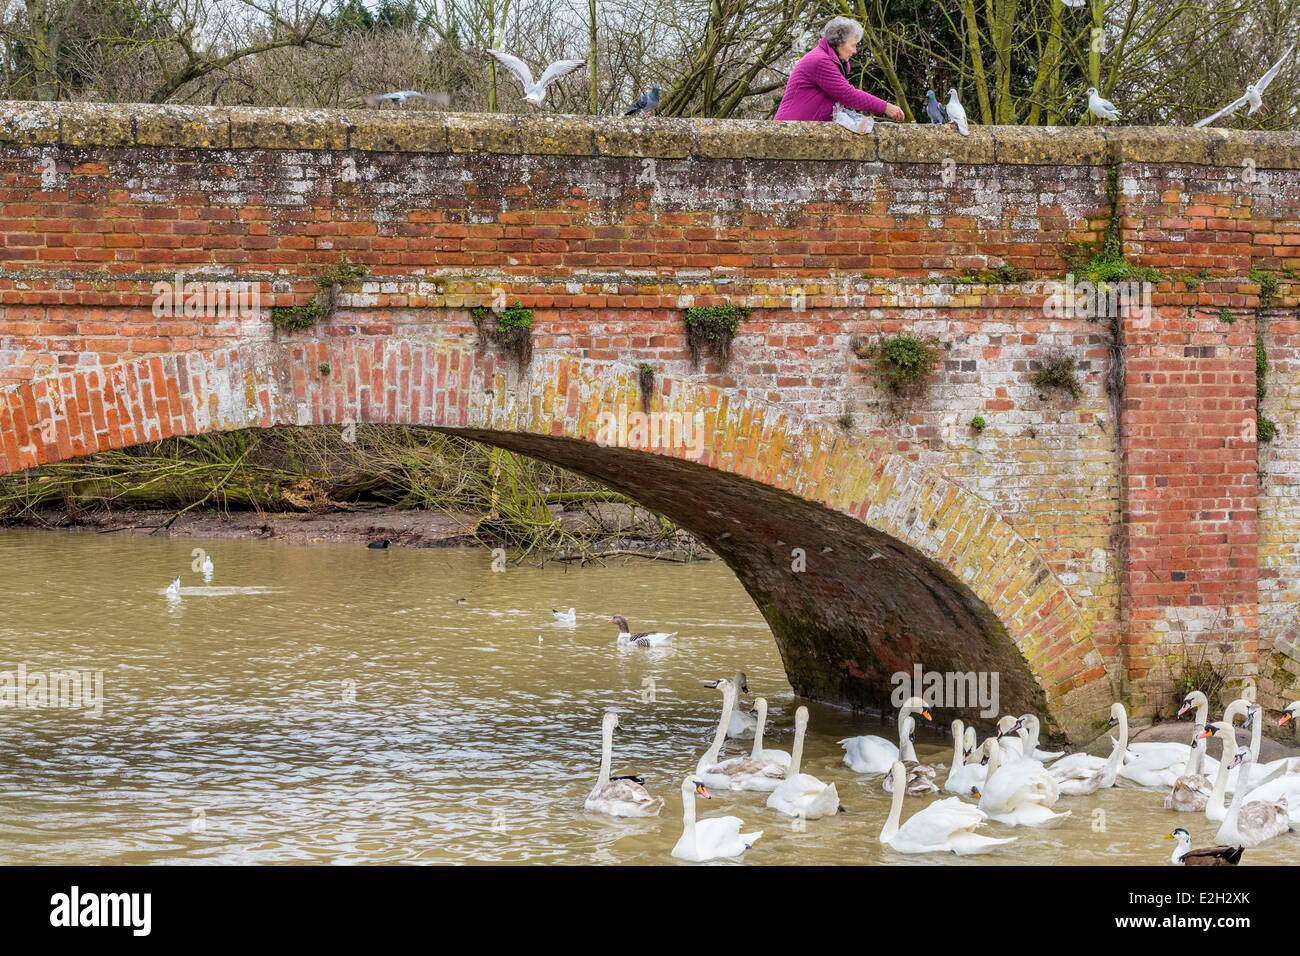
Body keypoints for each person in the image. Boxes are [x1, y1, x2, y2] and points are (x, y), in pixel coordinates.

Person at [774, 17, 904, 123]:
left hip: (803, 130)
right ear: (839, 42)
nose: (855, 51)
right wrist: (885, 107)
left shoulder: (830, 60)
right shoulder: (820, 60)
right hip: (790, 131)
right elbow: (848, 95)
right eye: (853, 45)